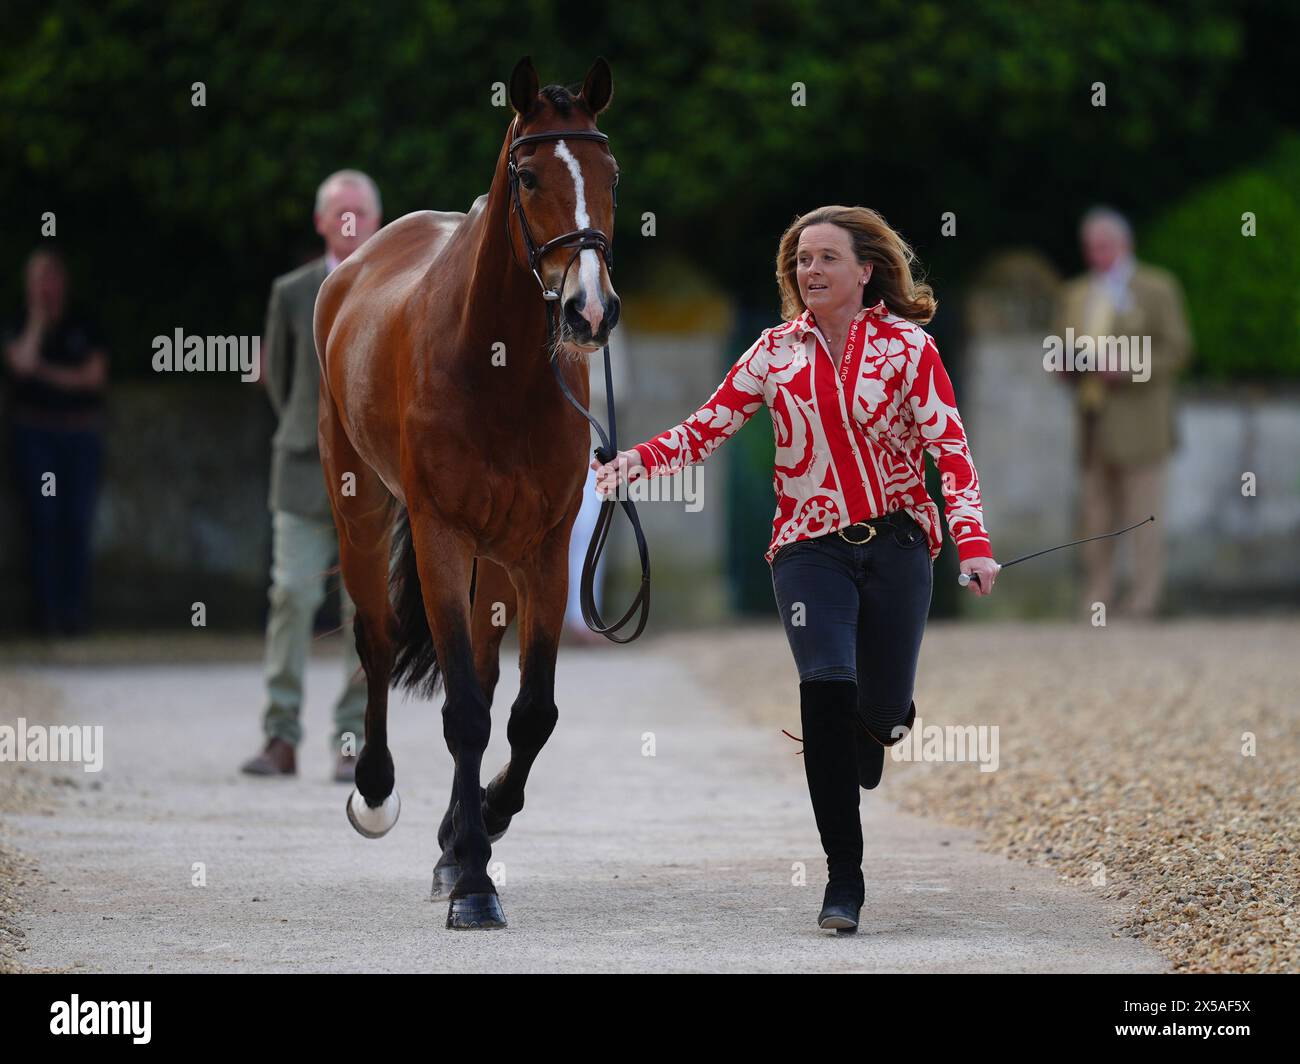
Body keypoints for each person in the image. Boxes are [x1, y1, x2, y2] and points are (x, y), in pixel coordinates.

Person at [593, 206, 998, 933]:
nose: (810, 270)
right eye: (801, 260)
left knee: (879, 712)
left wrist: (971, 544)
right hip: (808, 551)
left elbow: (951, 450)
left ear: (865, 270)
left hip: (901, 545)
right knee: (824, 691)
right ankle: (844, 878)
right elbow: (705, 426)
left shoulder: (910, 349)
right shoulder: (774, 352)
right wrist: (634, 465)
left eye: (826, 258)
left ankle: (879, 728)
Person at [240, 170, 382, 783]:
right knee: (291, 595)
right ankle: (280, 736)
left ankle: (351, 742)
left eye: (360, 211)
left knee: (366, 614)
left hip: (374, 479)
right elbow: (280, 380)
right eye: (339, 211)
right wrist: (312, 437)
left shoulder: (394, 283)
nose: (350, 220)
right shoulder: (292, 292)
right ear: (323, 222)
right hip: (302, 471)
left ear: (376, 221)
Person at [1055, 207, 1192, 619]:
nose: (1097, 254)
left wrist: (1128, 368)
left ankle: (1143, 602)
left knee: (1143, 518)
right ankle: (1097, 601)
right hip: (1092, 423)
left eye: (1105, 246)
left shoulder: (1157, 287)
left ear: (1125, 244)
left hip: (1141, 425)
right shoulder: (1077, 293)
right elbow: (1060, 347)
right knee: (1095, 518)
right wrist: (1065, 365)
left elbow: (1177, 349)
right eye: (1091, 247)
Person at [3, 248, 109, 635]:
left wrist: (44, 374)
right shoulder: (19, 323)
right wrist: (36, 320)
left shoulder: (84, 322)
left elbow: (93, 378)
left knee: (76, 524)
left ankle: (74, 615)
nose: (46, 286)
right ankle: (46, 616)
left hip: (79, 436)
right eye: (37, 279)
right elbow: (21, 365)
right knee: (44, 523)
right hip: (37, 437)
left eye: (50, 276)